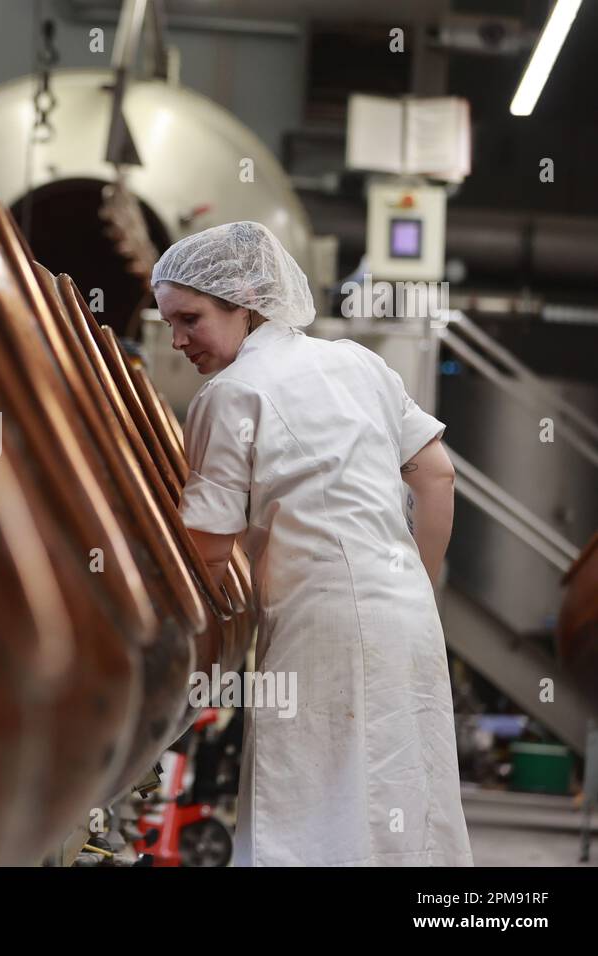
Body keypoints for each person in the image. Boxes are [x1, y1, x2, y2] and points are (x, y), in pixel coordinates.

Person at [151, 221, 474, 866]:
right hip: (408, 614)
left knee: (308, 814)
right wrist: (415, 579)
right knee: (403, 805)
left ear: (243, 302)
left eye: (191, 318)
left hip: (318, 622)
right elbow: (437, 475)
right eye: (168, 323)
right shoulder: (357, 361)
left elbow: (209, 549)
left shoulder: (232, 392)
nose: (179, 339)